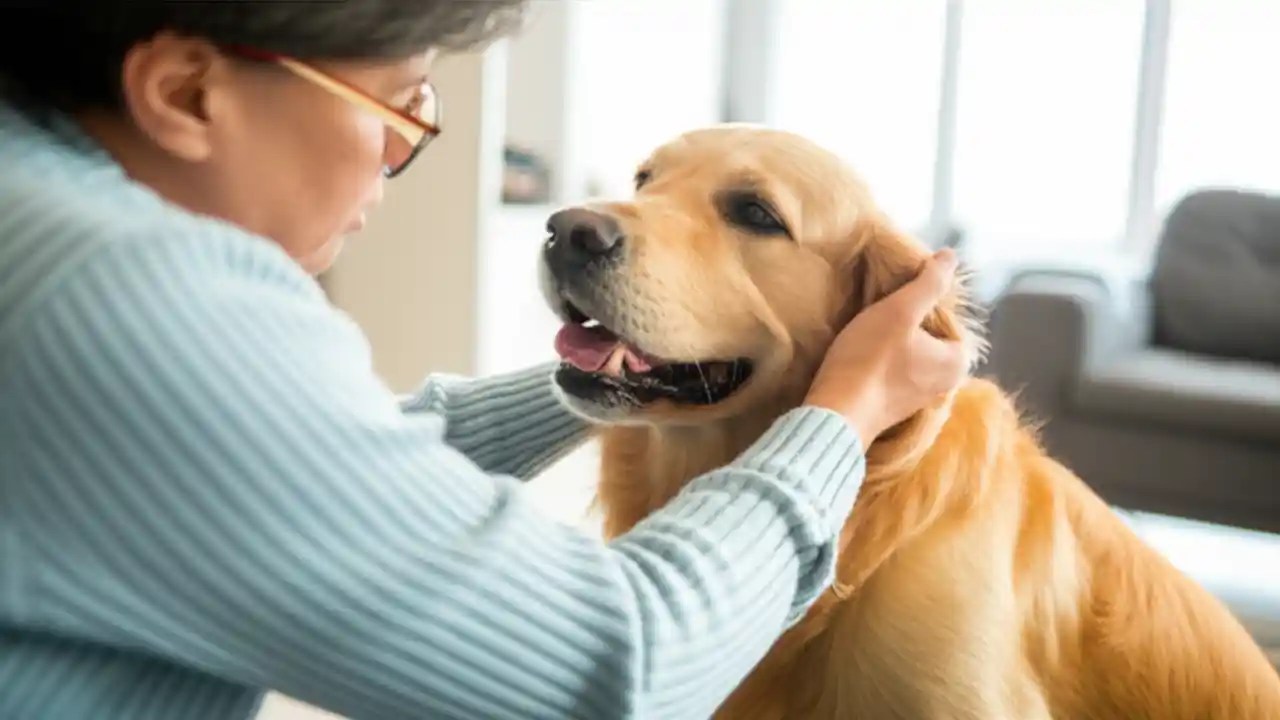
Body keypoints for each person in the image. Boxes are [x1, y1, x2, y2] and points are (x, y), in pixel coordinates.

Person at [0, 2, 969, 718]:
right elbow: (619, 670)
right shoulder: (139, 298)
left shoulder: (36, 214)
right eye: (397, 104)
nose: (394, 150)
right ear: (183, 91)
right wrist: (835, 418)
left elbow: (308, 470)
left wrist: (617, 373)